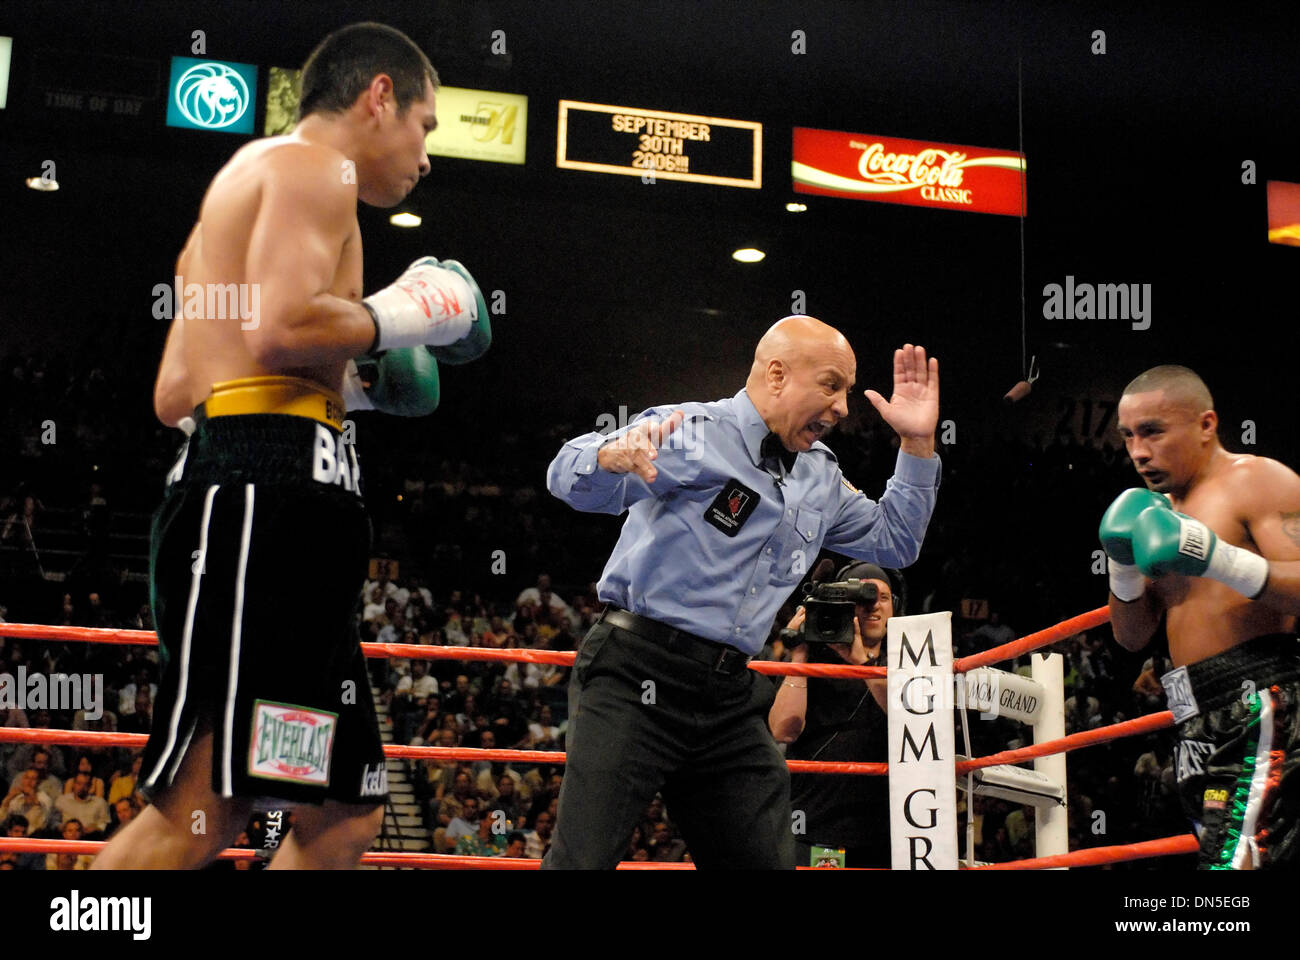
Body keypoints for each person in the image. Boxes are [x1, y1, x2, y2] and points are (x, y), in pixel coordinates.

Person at [93, 22, 490, 871]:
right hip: (259, 515)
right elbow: (277, 329)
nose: (426, 157)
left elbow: (177, 394)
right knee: (206, 801)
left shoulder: (239, 197)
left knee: (341, 813)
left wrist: (353, 385)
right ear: (379, 95)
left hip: (276, 507)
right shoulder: (317, 167)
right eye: (426, 127)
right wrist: (410, 310)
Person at [541, 317, 940, 868]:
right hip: (636, 675)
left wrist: (917, 442)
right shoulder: (695, 430)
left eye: (847, 390)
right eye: (831, 385)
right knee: (581, 862)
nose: (844, 407)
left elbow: (896, 541)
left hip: (728, 696)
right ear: (777, 374)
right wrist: (608, 457)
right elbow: (566, 476)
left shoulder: (820, 476)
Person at [1100, 364, 1300, 869]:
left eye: (1153, 432)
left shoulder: (1256, 480)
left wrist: (1221, 559)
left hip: (1263, 702)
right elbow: (1131, 638)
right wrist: (1122, 567)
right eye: (1128, 436)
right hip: (1192, 717)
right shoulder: (1155, 515)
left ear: (1206, 425)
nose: (1139, 451)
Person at [768, 562, 902, 868]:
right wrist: (799, 655)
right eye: (862, 599)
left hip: (886, 830)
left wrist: (858, 661)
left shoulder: (907, 662)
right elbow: (782, 731)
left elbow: (907, 718)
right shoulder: (812, 663)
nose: (873, 607)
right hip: (817, 829)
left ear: (896, 606)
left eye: (882, 597)